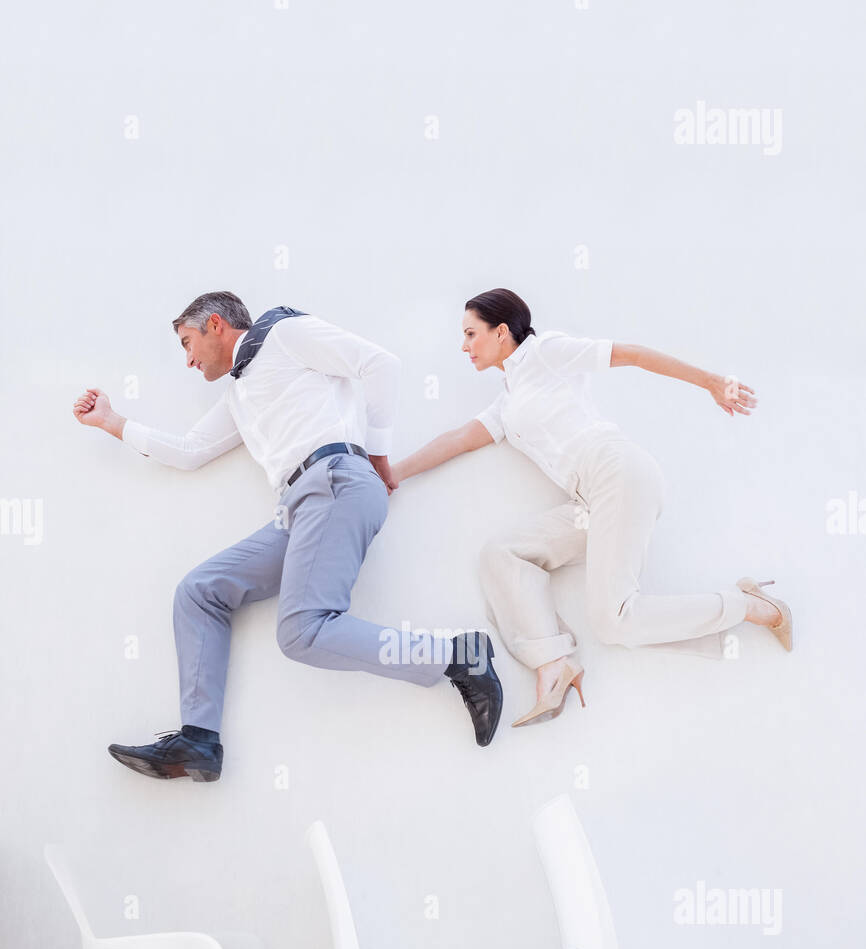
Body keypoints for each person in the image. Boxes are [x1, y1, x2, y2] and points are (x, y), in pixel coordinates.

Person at [72, 292, 503, 780]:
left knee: (302, 632)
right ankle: (198, 741)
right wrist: (111, 423)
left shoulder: (285, 335)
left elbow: (380, 364)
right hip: (298, 508)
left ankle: (458, 656)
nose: (188, 360)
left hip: (336, 479)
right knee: (199, 591)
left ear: (216, 325)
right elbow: (191, 450)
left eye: (187, 343)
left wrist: (378, 455)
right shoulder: (239, 392)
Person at [391, 288, 791, 727]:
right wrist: (392, 474)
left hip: (616, 471)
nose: (464, 346)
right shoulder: (508, 402)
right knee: (502, 554)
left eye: (471, 333)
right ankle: (552, 663)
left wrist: (712, 382)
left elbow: (633, 354)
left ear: (501, 331)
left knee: (614, 621)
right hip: (589, 498)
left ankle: (750, 605)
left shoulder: (545, 353)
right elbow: (458, 439)